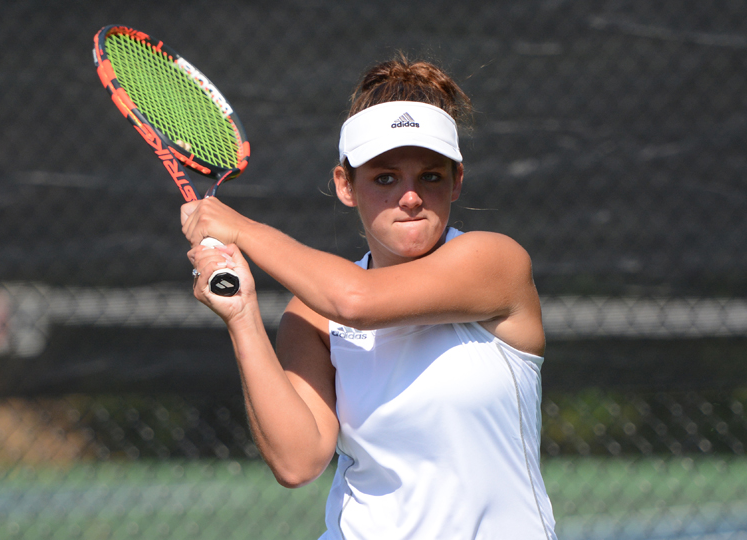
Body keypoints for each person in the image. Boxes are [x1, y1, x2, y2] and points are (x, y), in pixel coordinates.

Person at [181, 56, 557, 540]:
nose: (410, 197)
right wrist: (241, 314)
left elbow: (355, 301)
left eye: (431, 176)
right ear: (345, 185)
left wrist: (239, 229)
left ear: (457, 181)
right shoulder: (310, 316)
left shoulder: (494, 262)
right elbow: (298, 462)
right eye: (385, 178)